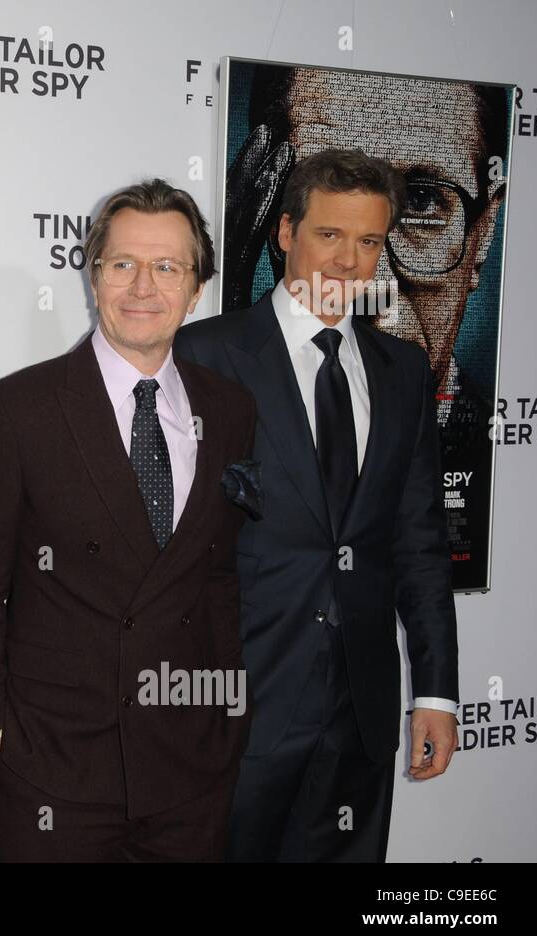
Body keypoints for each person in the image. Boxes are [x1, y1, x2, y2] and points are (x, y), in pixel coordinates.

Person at [0, 179, 257, 862]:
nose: (143, 286)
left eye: (167, 267)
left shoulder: (232, 410)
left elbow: (218, 576)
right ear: (94, 278)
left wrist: (229, 713)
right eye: (122, 264)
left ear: (198, 285)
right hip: (55, 772)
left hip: (190, 768)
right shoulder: (20, 410)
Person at [176, 148, 460, 862]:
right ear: (285, 232)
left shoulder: (402, 373)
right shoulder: (205, 356)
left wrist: (437, 692)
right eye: (330, 235)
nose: (348, 261)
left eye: (368, 241)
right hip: (237, 706)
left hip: (360, 713)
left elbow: (419, 543)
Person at [224, 65, 509, 585]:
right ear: (278, 226)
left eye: (423, 203)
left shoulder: (496, 458)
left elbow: (425, 579)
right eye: (329, 224)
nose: (372, 284)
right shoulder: (209, 369)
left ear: (483, 230)